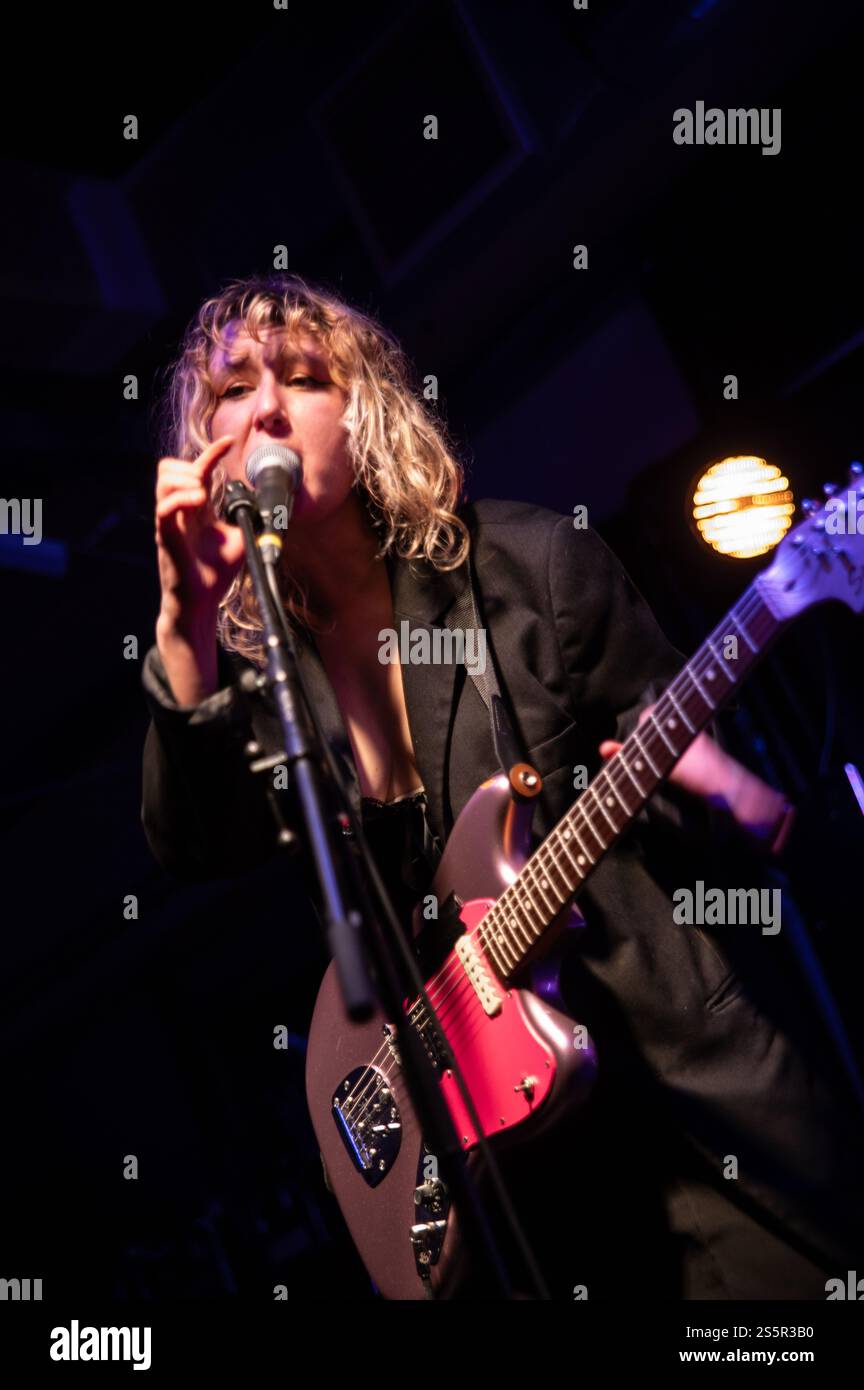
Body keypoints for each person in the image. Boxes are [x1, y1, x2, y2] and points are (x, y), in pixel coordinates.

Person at [141, 271, 864, 1300]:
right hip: (519, 1194)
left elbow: (702, 826)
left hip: (687, 1108)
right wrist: (182, 631)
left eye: (301, 378)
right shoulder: (262, 697)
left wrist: (728, 798)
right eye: (232, 393)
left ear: (364, 413)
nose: (265, 410)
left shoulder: (529, 566)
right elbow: (190, 844)